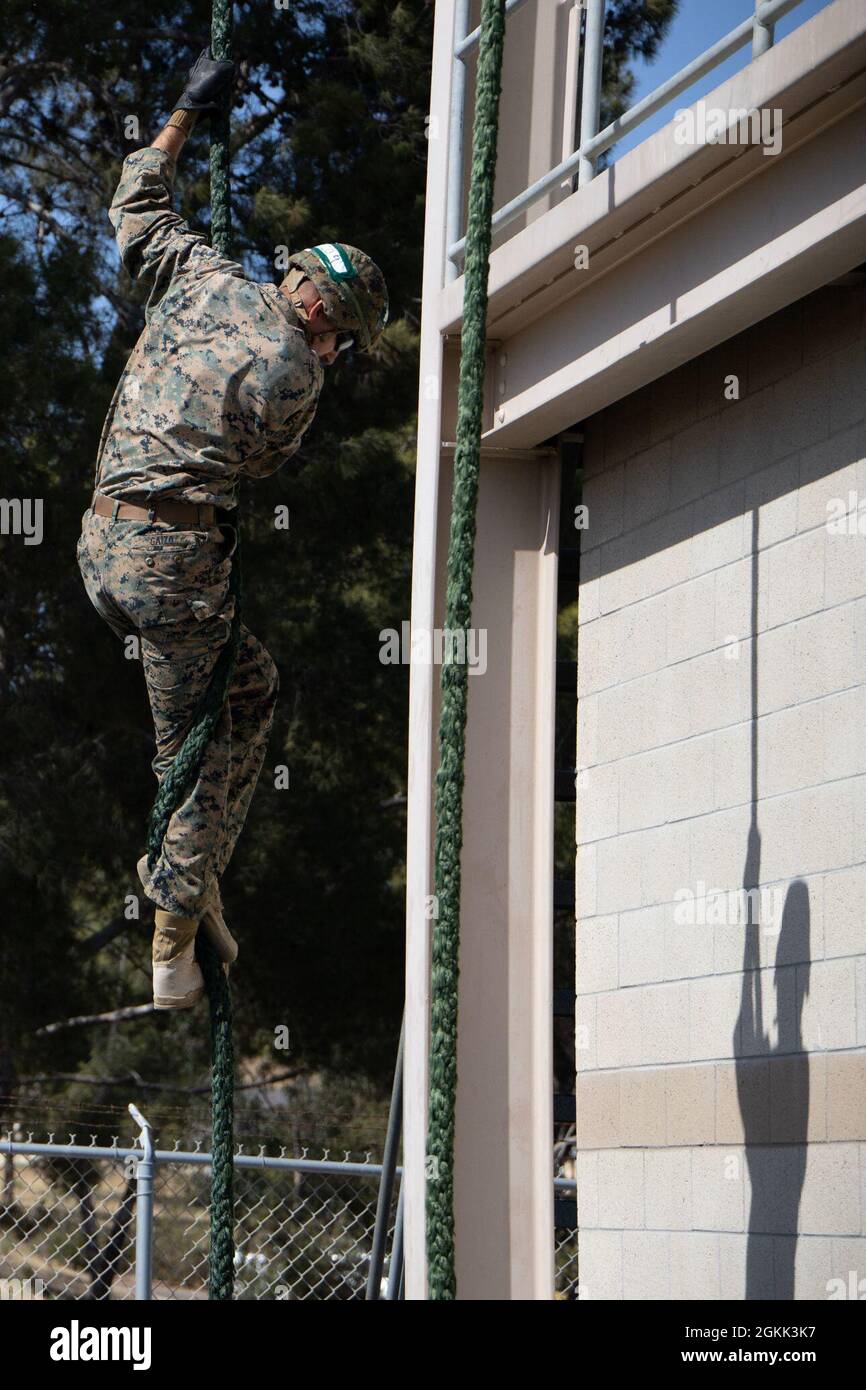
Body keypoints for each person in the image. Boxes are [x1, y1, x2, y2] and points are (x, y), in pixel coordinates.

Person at [77, 50, 388, 1009]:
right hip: (170, 563)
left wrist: (182, 114)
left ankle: (192, 867)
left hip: (98, 544)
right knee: (210, 727)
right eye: (343, 340)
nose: (335, 357)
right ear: (325, 318)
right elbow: (261, 464)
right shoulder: (294, 372)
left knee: (240, 688)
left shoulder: (201, 276)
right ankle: (172, 926)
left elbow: (135, 202)